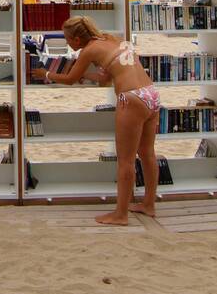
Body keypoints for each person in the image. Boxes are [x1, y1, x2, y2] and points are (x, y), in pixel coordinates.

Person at [30, 15, 160, 225]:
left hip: (131, 98)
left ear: (77, 40)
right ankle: (149, 204)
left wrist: (46, 73)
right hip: (151, 93)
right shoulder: (114, 39)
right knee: (147, 154)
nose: (67, 43)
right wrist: (87, 76)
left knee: (125, 161)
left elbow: (70, 80)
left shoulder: (88, 50)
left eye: (67, 39)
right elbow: (105, 79)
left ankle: (121, 214)